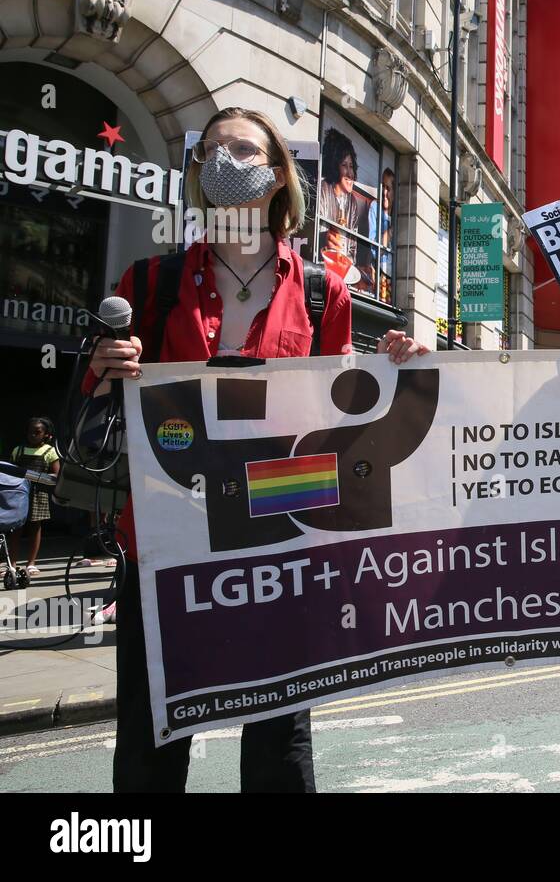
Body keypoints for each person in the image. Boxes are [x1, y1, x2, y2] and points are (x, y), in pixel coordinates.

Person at [85, 106, 427, 793]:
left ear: (277, 178)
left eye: (243, 150)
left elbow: (338, 416)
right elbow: (98, 420)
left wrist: (401, 373)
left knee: (279, 744)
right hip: (166, 544)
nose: (224, 161)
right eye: (212, 150)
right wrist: (101, 371)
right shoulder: (148, 284)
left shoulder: (327, 292)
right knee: (151, 745)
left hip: (278, 540)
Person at [9, 417, 61, 577]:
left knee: (35, 527)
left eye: (38, 432)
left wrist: (38, 477)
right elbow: (10, 471)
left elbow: (56, 475)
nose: (33, 435)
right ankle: (12, 563)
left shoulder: (49, 451)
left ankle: (31, 563)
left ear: (46, 435)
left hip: (39, 494)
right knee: (15, 528)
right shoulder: (18, 450)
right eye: (31, 432)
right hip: (19, 493)